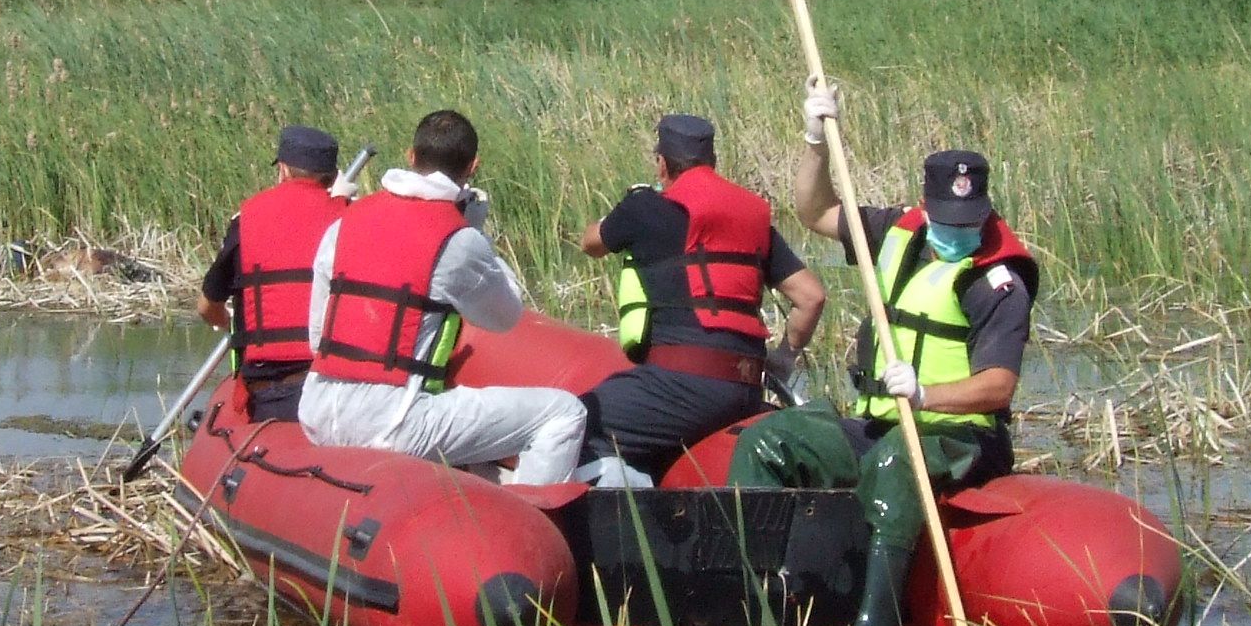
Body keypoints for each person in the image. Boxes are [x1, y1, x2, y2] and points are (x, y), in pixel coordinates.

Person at [728, 78, 1036, 626]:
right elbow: (813, 210)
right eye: (946, 216)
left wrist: (925, 394)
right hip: (877, 422)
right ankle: (764, 598)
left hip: (961, 435)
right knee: (770, 441)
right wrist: (815, 140)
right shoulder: (895, 231)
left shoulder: (1000, 281)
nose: (956, 229)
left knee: (897, 462)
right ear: (927, 204)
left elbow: (999, 385)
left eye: (968, 218)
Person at [301, 108, 588, 486]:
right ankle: (533, 528)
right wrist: (476, 233)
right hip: (394, 425)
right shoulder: (457, 239)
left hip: (317, 414)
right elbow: (504, 317)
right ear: (473, 166)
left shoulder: (344, 223)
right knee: (564, 413)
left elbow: (317, 337)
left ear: (411, 156)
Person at [577, 111, 825, 475]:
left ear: (662, 163)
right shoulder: (752, 216)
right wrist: (784, 358)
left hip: (679, 387)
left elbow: (590, 243)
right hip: (745, 391)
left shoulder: (644, 207)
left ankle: (626, 520)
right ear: (714, 162)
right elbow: (811, 296)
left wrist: (629, 206)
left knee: (573, 424)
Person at [197, 123, 357, 425]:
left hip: (270, 392)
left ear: (282, 170)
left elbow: (206, 307)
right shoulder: (353, 219)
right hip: (338, 388)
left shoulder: (246, 221)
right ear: (335, 177)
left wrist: (230, 326)